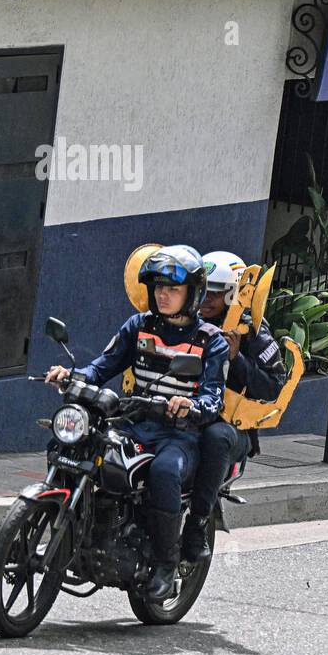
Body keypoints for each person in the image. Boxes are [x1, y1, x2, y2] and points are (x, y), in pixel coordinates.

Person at [45, 245, 229, 600]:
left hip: (178, 436)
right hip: (132, 423)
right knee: (69, 443)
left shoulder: (211, 341)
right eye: (158, 287)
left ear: (193, 294)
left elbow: (213, 398)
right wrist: (72, 375)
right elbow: (103, 365)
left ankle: (165, 563)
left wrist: (187, 406)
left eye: (172, 289)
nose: (163, 294)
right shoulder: (140, 325)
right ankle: (68, 529)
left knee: (164, 472)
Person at [180, 251, 288, 563]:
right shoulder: (181, 318)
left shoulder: (250, 330)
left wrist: (236, 359)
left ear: (231, 293)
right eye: (203, 288)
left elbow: (272, 386)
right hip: (182, 409)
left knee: (216, 437)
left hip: (231, 424)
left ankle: (198, 523)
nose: (206, 298)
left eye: (215, 291)